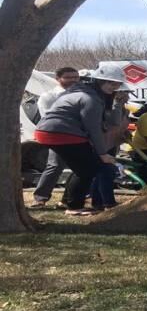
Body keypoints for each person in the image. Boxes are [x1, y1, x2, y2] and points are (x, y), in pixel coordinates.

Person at [33, 64, 124, 216]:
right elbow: (93, 129)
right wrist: (102, 153)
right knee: (89, 168)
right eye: (110, 83)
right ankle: (74, 206)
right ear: (99, 81)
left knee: (81, 168)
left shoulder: (79, 91)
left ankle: (67, 201)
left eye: (117, 84)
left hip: (47, 131)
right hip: (62, 132)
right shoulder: (91, 98)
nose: (114, 87)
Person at [30, 66, 80, 208]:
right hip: (59, 136)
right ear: (57, 79)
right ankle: (40, 198)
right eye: (68, 77)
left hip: (80, 136)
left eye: (75, 77)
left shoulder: (83, 94)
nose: (73, 80)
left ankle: (66, 200)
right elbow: (50, 119)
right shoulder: (49, 97)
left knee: (81, 169)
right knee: (55, 165)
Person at [90, 83, 132, 210]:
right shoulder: (107, 107)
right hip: (102, 145)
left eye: (127, 93)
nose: (126, 96)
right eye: (123, 93)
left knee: (104, 174)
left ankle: (98, 202)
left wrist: (125, 132)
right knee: (105, 173)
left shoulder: (125, 109)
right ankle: (107, 202)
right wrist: (117, 104)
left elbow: (120, 125)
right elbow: (114, 122)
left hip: (112, 144)